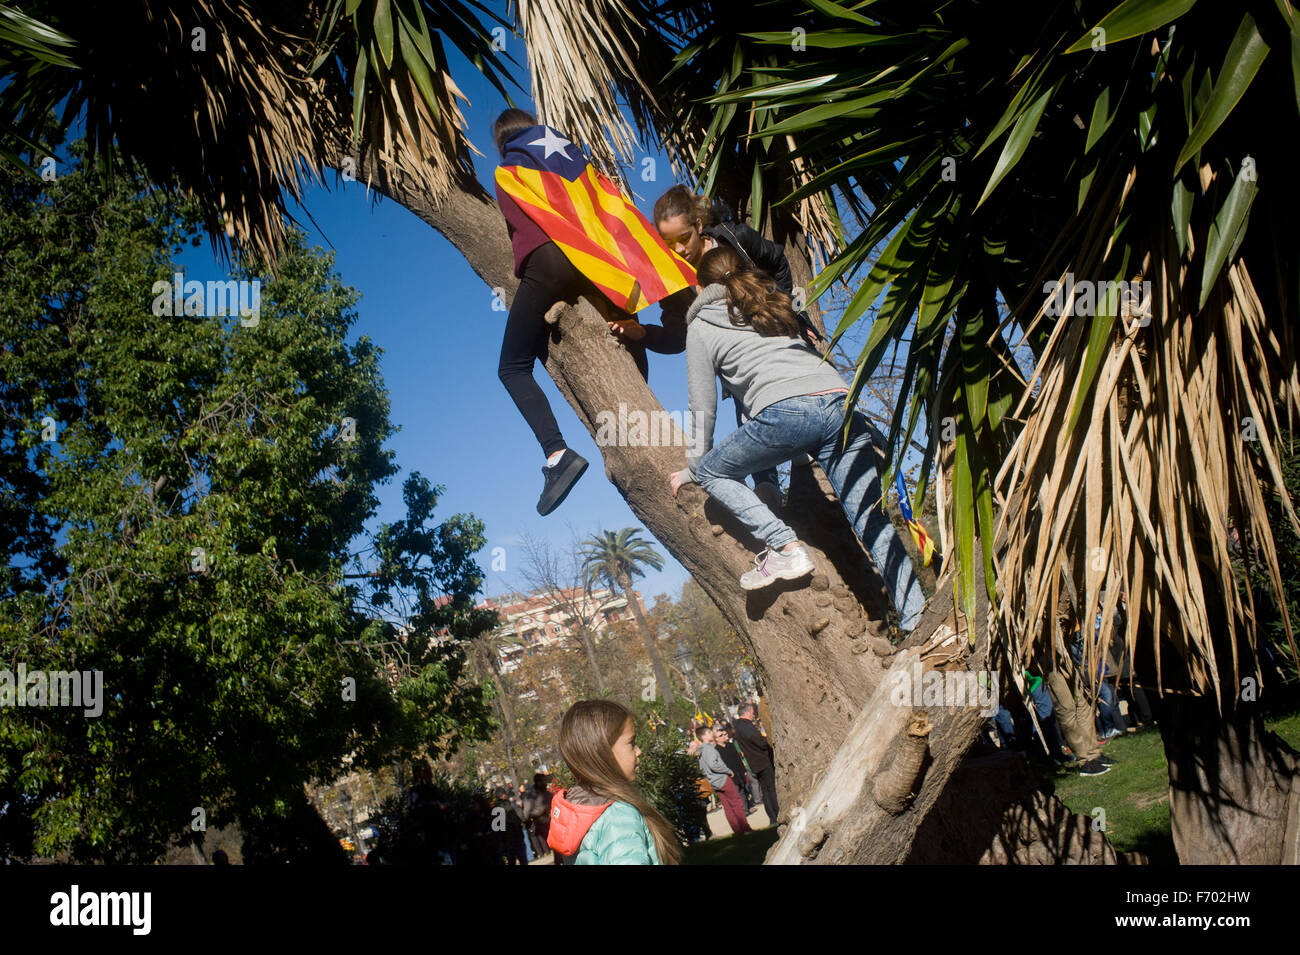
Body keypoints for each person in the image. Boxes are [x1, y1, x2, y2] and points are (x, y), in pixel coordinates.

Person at [667, 247, 930, 638]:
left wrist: (692, 467)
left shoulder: (701, 325)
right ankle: (918, 618)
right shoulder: (771, 304)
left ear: (698, 285)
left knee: (711, 470)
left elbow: (702, 406)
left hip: (789, 414)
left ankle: (785, 549)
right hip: (841, 403)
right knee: (871, 520)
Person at [492, 110, 696, 516]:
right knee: (625, 324)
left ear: (503, 140)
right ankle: (638, 396)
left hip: (548, 263)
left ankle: (556, 455)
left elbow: (524, 228)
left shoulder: (508, 170)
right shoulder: (574, 159)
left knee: (512, 368)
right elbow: (607, 209)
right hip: (591, 262)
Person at [547, 700, 682, 864]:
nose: (639, 751)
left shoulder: (579, 811)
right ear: (601, 752)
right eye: (631, 743)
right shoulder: (618, 815)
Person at [696, 726, 751, 835]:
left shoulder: (701, 751)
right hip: (722, 778)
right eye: (709, 732)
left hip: (714, 781)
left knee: (727, 806)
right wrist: (727, 771)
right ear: (704, 736)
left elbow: (702, 767)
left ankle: (737, 830)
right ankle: (745, 827)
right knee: (736, 802)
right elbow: (713, 764)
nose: (712, 734)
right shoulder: (708, 748)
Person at [732, 703, 780, 827]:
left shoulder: (739, 728)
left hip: (754, 762)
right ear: (747, 713)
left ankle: (772, 817)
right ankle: (776, 814)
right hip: (761, 760)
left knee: (765, 790)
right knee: (771, 789)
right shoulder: (746, 727)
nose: (754, 715)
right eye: (752, 713)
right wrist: (765, 742)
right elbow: (756, 740)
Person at [522, 772, 554, 862]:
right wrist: (539, 812)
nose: (546, 783)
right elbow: (526, 812)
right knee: (551, 842)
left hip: (552, 819)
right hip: (541, 821)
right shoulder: (531, 795)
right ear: (538, 782)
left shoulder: (546, 792)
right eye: (544, 781)